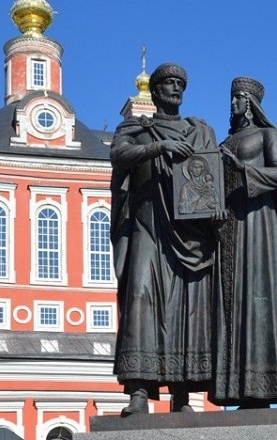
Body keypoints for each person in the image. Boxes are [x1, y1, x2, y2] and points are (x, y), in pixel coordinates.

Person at [110, 62, 218, 414]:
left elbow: (212, 174)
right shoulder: (137, 128)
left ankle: (182, 396)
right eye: (168, 84)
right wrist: (158, 148)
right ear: (154, 92)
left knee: (183, 310)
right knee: (140, 299)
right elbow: (118, 154)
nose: (176, 89)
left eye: (180, 84)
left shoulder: (198, 130)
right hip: (147, 228)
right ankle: (139, 391)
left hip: (187, 236)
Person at [211, 76, 277, 408]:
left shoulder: (268, 135)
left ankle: (265, 382)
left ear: (251, 103)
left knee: (259, 299)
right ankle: (237, 386)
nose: (232, 104)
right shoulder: (224, 141)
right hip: (230, 227)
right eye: (231, 99)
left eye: (237, 99)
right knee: (232, 304)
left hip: (259, 227)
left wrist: (245, 172)